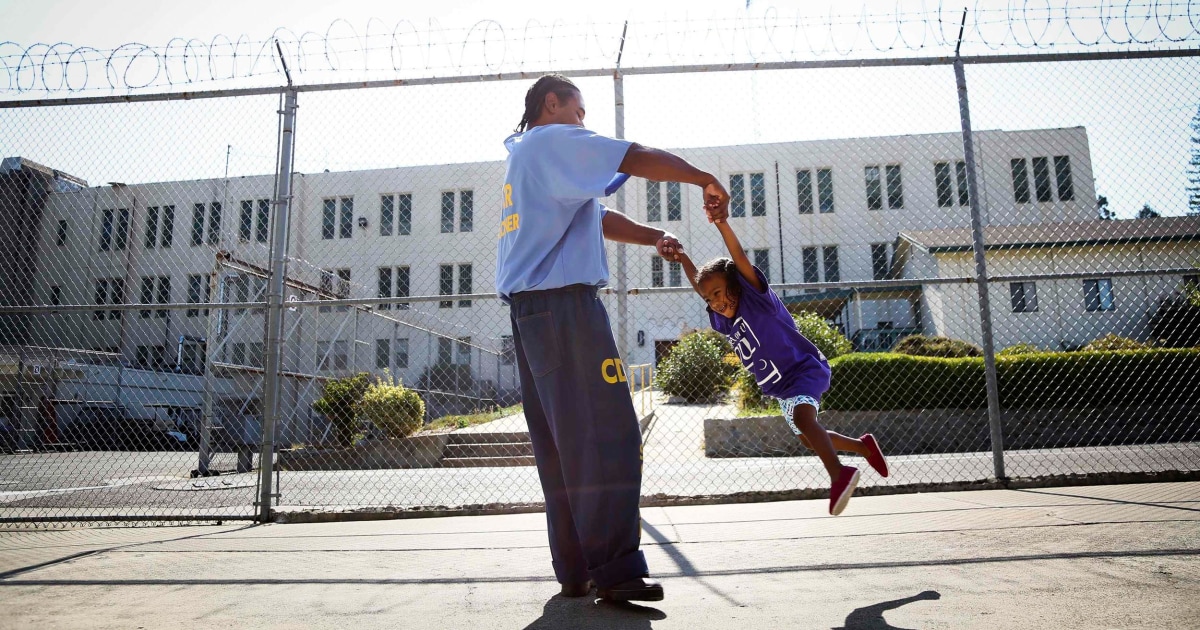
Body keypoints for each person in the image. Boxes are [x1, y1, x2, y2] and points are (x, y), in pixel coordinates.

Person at [496, 73, 729, 602]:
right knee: (608, 435)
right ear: (550, 105)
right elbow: (632, 154)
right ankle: (618, 571)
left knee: (562, 446)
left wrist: (652, 236)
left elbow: (594, 216)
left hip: (532, 314)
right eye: (579, 112)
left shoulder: (525, 157)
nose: (584, 123)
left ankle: (577, 569)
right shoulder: (553, 139)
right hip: (565, 310)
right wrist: (702, 177)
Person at [674, 220, 890, 516]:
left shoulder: (758, 300)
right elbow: (701, 285)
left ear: (737, 285)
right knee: (807, 437)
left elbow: (739, 258)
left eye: (718, 293)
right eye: (709, 299)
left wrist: (722, 224)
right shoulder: (723, 320)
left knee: (805, 420)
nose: (714, 301)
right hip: (782, 388)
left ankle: (839, 474)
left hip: (803, 369)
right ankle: (864, 447)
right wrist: (683, 257)